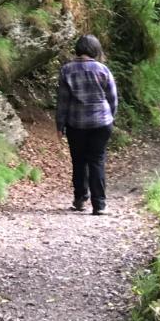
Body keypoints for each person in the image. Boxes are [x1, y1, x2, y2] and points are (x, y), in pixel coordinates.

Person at [55, 34, 118, 215]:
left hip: (76, 123)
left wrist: (60, 125)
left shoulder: (67, 70)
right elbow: (112, 98)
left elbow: (63, 101)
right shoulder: (103, 70)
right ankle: (99, 205)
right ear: (95, 49)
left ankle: (80, 199)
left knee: (79, 161)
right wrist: (110, 117)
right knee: (97, 161)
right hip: (101, 123)